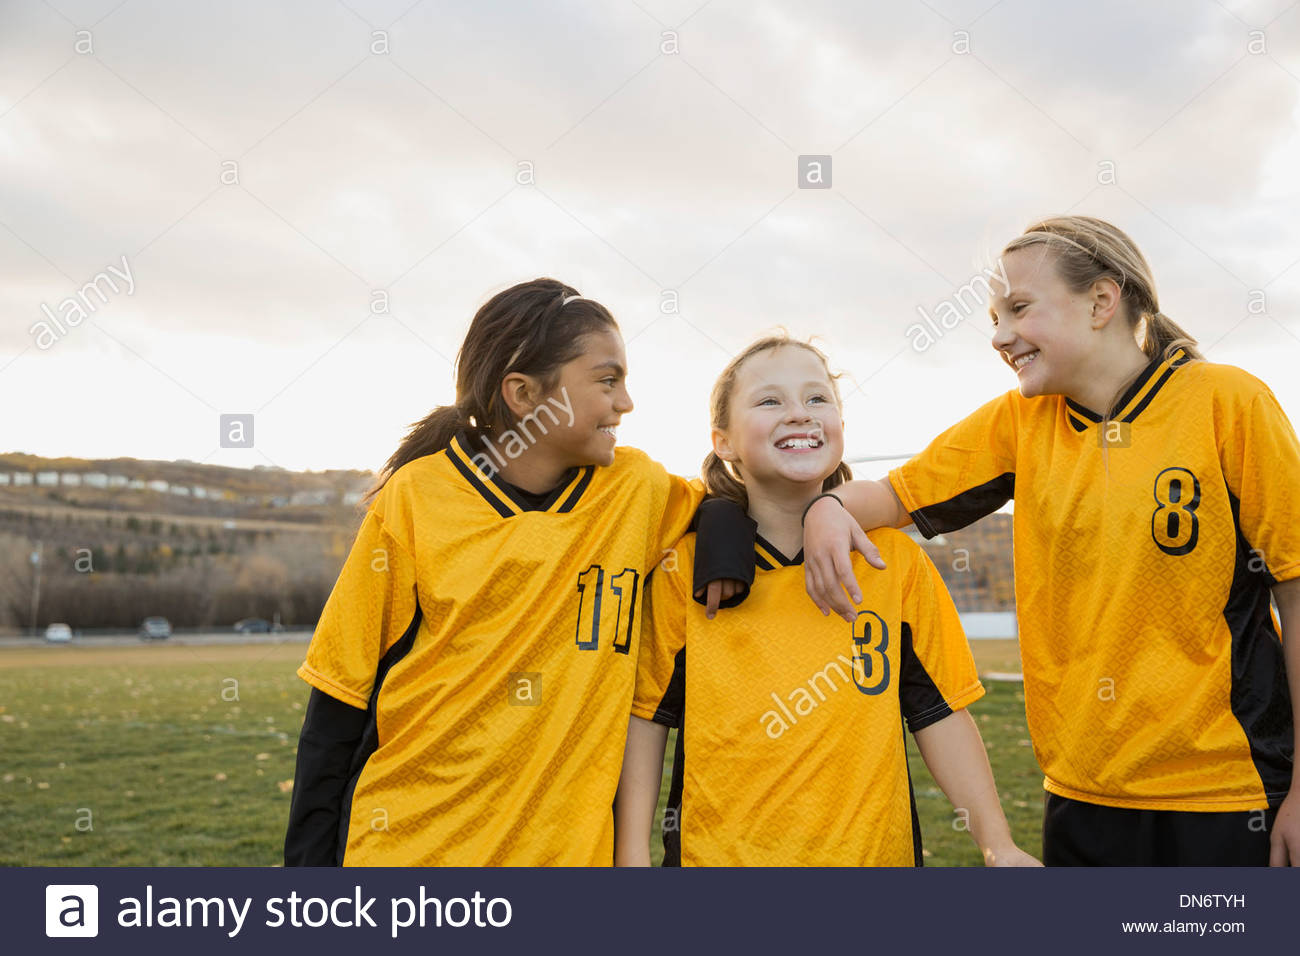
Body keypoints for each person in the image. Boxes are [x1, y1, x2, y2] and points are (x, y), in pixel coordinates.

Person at [786, 217, 1300, 865]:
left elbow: (1296, 592)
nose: (1001, 336)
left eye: (1019, 309)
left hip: (1229, 795)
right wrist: (828, 506)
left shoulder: (1230, 403)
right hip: (1082, 798)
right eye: (994, 318)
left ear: (1102, 301)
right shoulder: (1019, 424)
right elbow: (892, 497)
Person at [282, 278, 749, 866]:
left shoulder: (636, 489)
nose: (626, 402)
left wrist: (736, 541)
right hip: (413, 858)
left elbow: (729, 498)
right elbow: (337, 703)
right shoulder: (416, 501)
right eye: (607, 380)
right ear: (525, 394)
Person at [614, 335, 1039, 866]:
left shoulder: (895, 563)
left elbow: (941, 713)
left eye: (818, 400)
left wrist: (998, 845)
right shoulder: (687, 568)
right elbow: (648, 718)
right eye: (770, 401)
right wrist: (630, 858)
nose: (800, 415)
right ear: (723, 441)